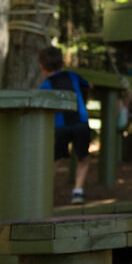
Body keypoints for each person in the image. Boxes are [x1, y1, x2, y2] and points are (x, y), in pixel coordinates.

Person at [39, 46, 94, 204]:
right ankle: (78, 191)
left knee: (54, 160)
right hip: (80, 124)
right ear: (63, 62)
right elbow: (89, 85)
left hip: (60, 127)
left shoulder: (45, 85)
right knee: (83, 159)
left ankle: (45, 192)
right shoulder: (73, 76)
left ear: (42, 67)